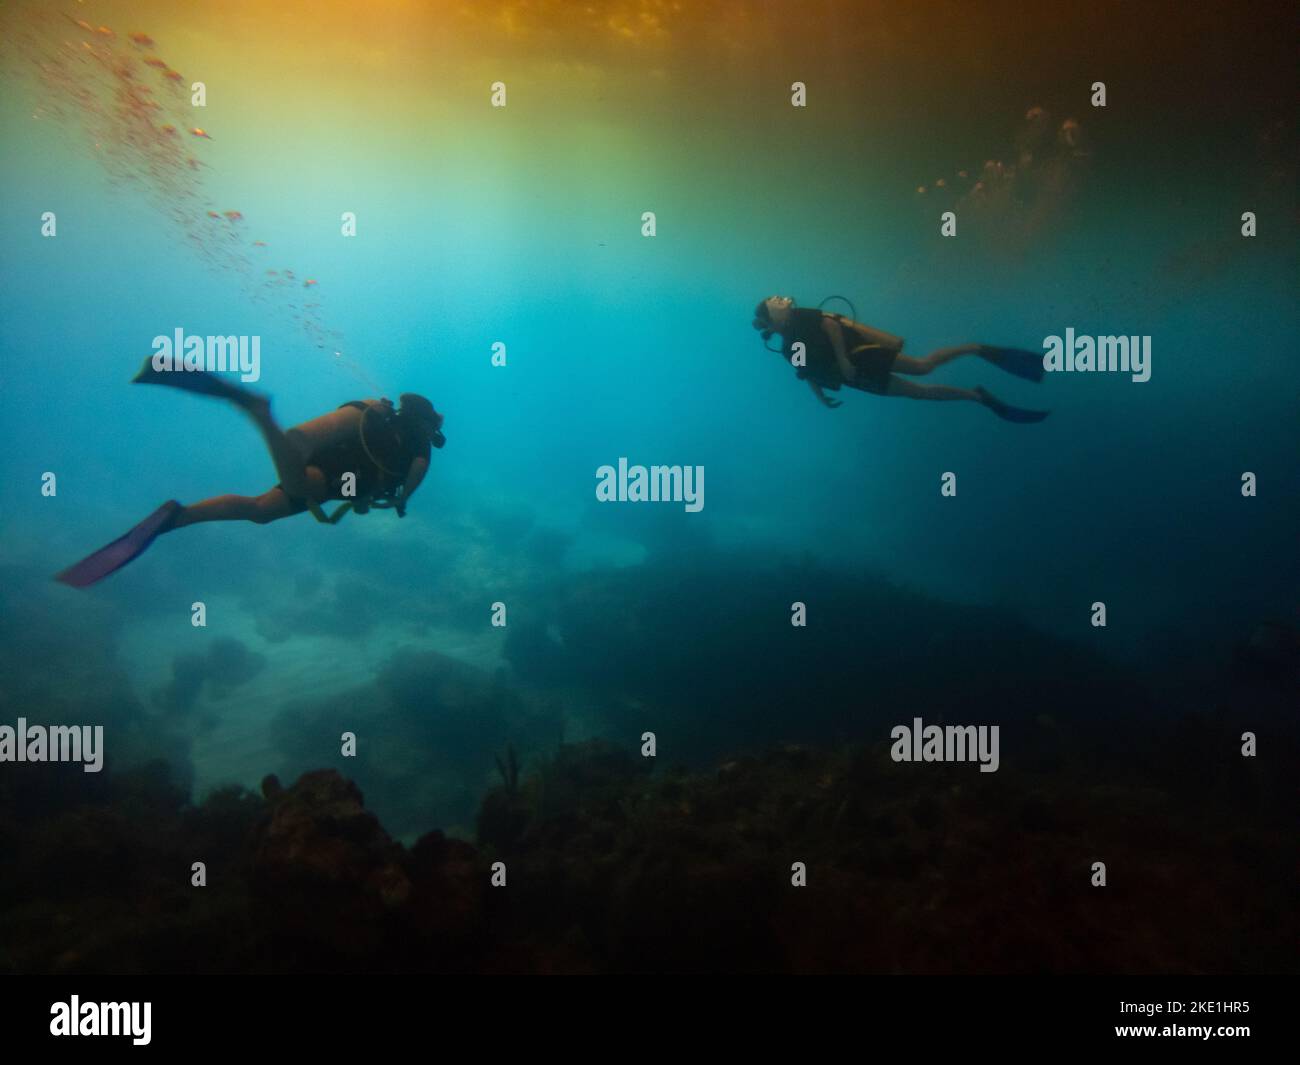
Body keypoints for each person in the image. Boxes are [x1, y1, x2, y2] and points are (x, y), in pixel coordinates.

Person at [55, 358, 445, 587]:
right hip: (341, 472)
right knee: (293, 480)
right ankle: (260, 413)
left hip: (345, 433)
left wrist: (370, 497)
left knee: (262, 511)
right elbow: (413, 477)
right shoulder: (419, 444)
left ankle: (178, 516)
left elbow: (367, 486)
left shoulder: (384, 416)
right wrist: (400, 502)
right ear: (426, 424)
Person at [752, 295, 1049, 422]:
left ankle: (974, 348)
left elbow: (830, 325)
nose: (767, 327)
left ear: (772, 319)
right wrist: (820, 397)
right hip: (857, 378)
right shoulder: (788, 348)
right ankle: (976, 396)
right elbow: (806, 373)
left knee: (923, 367)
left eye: (765, 321)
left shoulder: (801, 319)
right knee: (921, 394)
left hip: (861, 357)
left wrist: (843, 360)